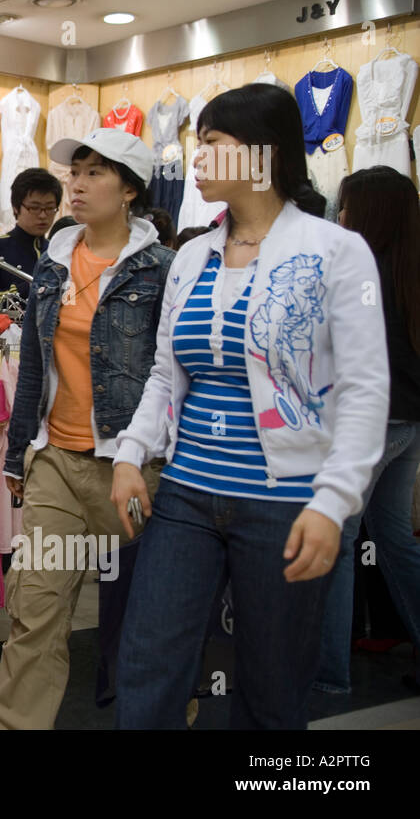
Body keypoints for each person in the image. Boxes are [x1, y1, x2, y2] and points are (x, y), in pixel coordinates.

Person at [109, 83, 390, 729]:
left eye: (211, 142)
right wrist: (132, 453)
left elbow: (365, 387)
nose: (197, 158)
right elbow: (164, 374)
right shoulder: (193, 257)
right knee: (148, 665)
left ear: (261, 153)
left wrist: (332, 501)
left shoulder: (336, 251)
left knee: (271, 689)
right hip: (184, 496)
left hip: (285, 503)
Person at [0, 127, 174, 730]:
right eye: (77, 170)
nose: (78, 183)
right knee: (35, 611)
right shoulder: (53, 260)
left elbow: (173, 371)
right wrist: (18, 454)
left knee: (153, 623)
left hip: (135, 467)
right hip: (57, 467)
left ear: (129, 190)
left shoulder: (163, 270)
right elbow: (38, 367)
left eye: (96, 172)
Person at [315, 166, 420, 695]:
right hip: (407, 424)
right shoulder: (406, 269)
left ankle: (329, 676)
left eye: (348, 205)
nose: (341, 214)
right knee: (395, 541)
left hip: (370, 425)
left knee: (338, 542)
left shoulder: (358, 274)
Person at [0, 168, 63, 299]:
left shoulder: (56, 251)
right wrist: (27, 288)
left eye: (50, 208)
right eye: (35, 208)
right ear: (16, 207)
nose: (43, 215)